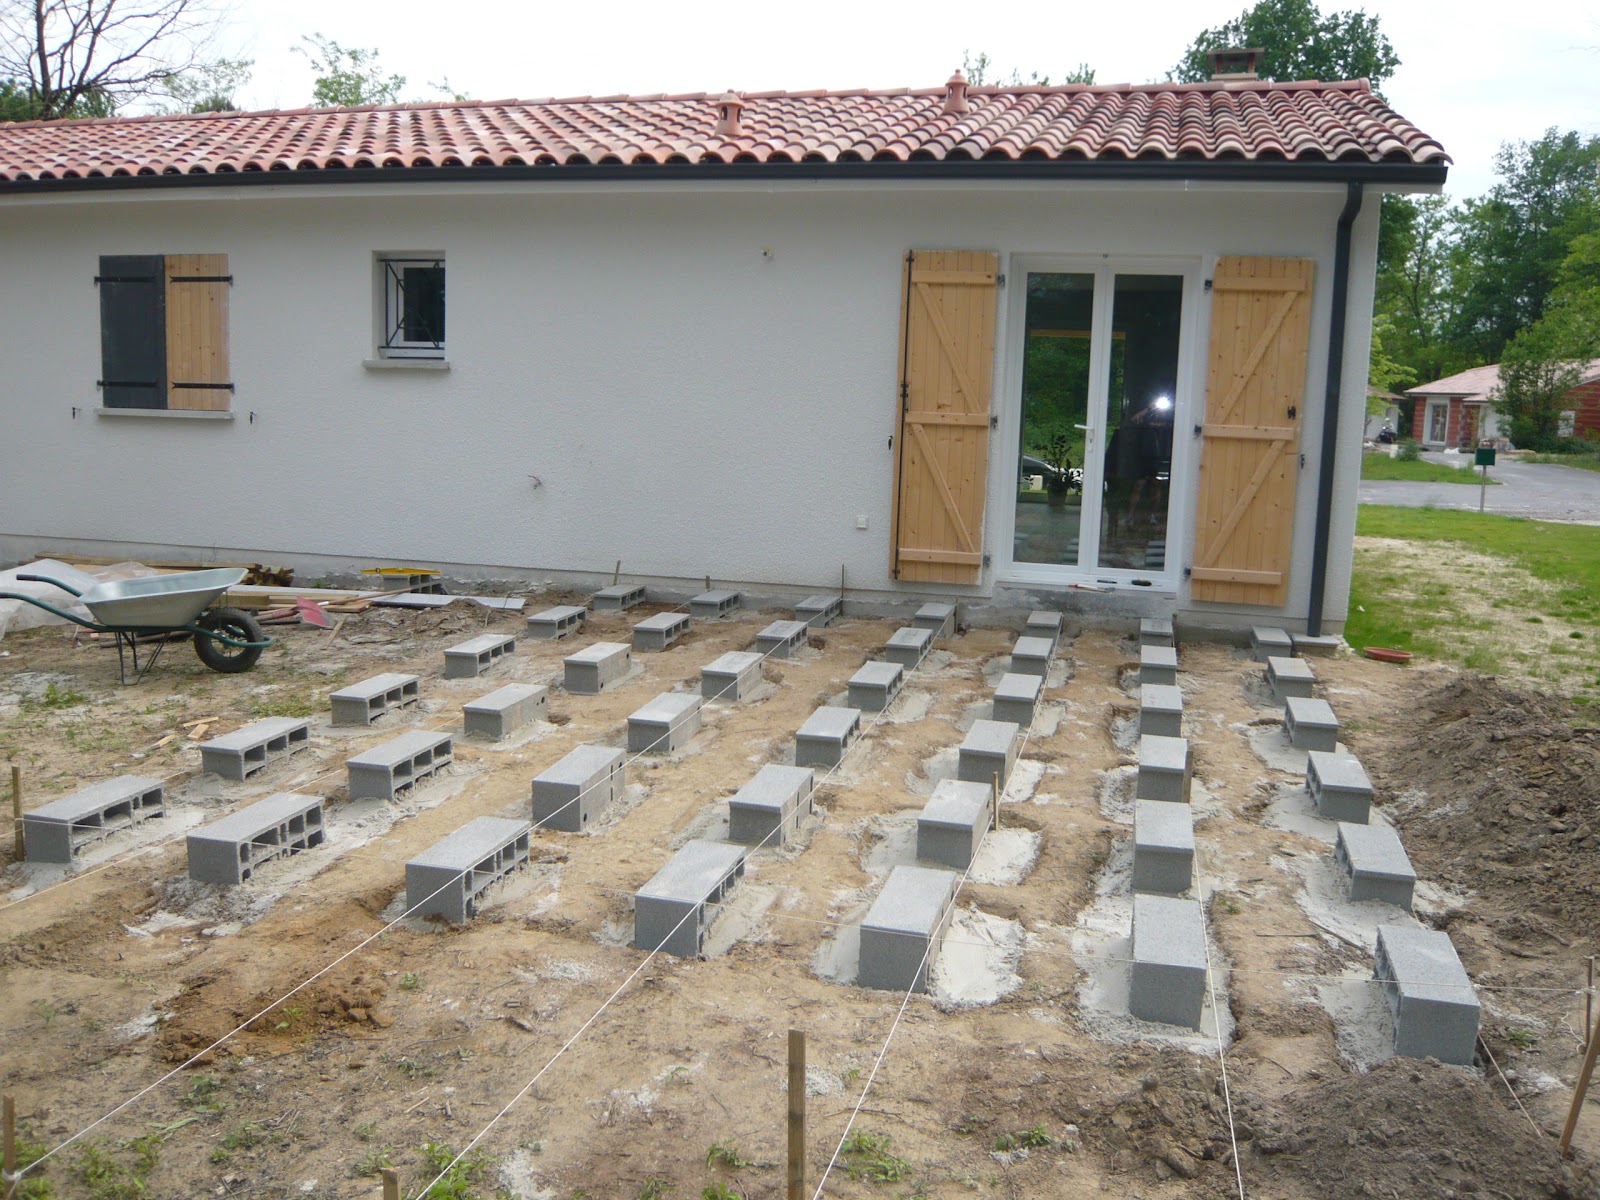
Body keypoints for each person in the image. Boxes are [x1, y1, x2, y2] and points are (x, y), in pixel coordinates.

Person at [1124, 394, 1174, 525]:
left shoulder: (1169, 418)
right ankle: (1130, 516)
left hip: (1159, 456)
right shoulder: (1147, 416)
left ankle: (1153, 515)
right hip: (1144, 455)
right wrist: (1149, 409)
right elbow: (1133, 419)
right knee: (1138, 486)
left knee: (1157, 486)